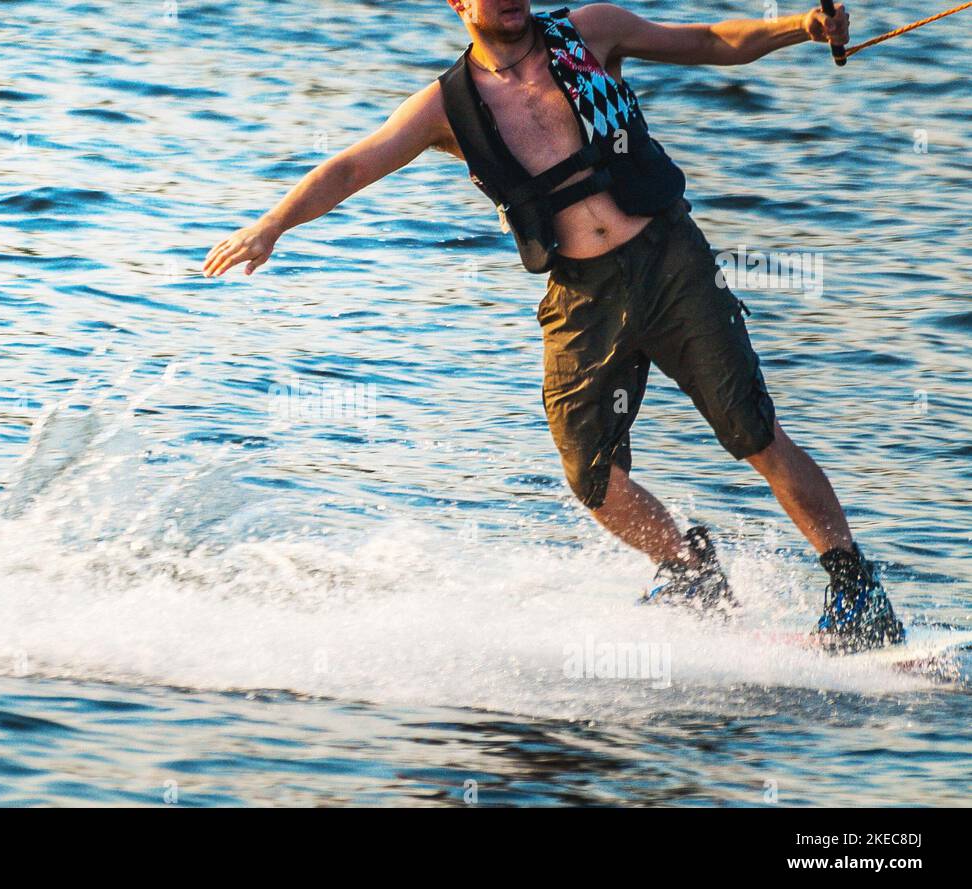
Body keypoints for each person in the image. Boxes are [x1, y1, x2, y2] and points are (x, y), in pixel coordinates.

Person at [203, 1, 904, 652]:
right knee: (590, 474)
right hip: (582, 293)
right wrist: (272, 225)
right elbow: (353, 165)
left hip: (670, 262)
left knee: (753, 432)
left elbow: (710, 40)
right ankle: (690, 571)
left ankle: (856, 595)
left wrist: (800, 27)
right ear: (459, 4)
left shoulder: (589, 32)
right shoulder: (446, 106)